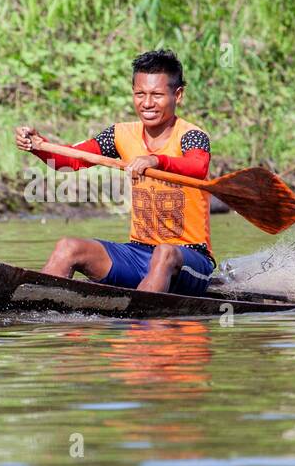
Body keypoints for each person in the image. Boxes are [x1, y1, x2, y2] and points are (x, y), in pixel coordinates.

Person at [15, 49, 215, 295]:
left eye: (157, 95)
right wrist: (39, 146)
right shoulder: (121, 134)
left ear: (178, 95)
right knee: (68, 247)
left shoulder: (192, 135)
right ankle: (37, 310)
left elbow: (197, 167)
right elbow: (70, 162)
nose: (147, 103)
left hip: (189, 258)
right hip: (138, 253)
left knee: (164, 252)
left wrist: (156, 160)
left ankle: (141, 324)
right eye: (140, 94)